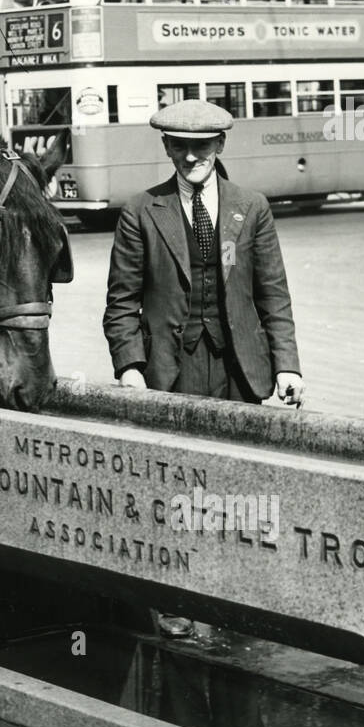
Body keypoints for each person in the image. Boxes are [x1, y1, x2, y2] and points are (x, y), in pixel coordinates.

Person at [103, 99, 303, 644]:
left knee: (239, 486)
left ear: (221, 146)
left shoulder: (250, 207)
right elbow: (121, 303)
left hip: (242, 368)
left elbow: (273, 294)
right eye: (180, 146)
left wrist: (287, 367)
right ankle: (174, 599)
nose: (192, 156)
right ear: (166, 147)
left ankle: (238, 599)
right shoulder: (142, 211)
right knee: (175, 487)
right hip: (173, 367)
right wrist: (131, 369)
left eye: (203, 146)